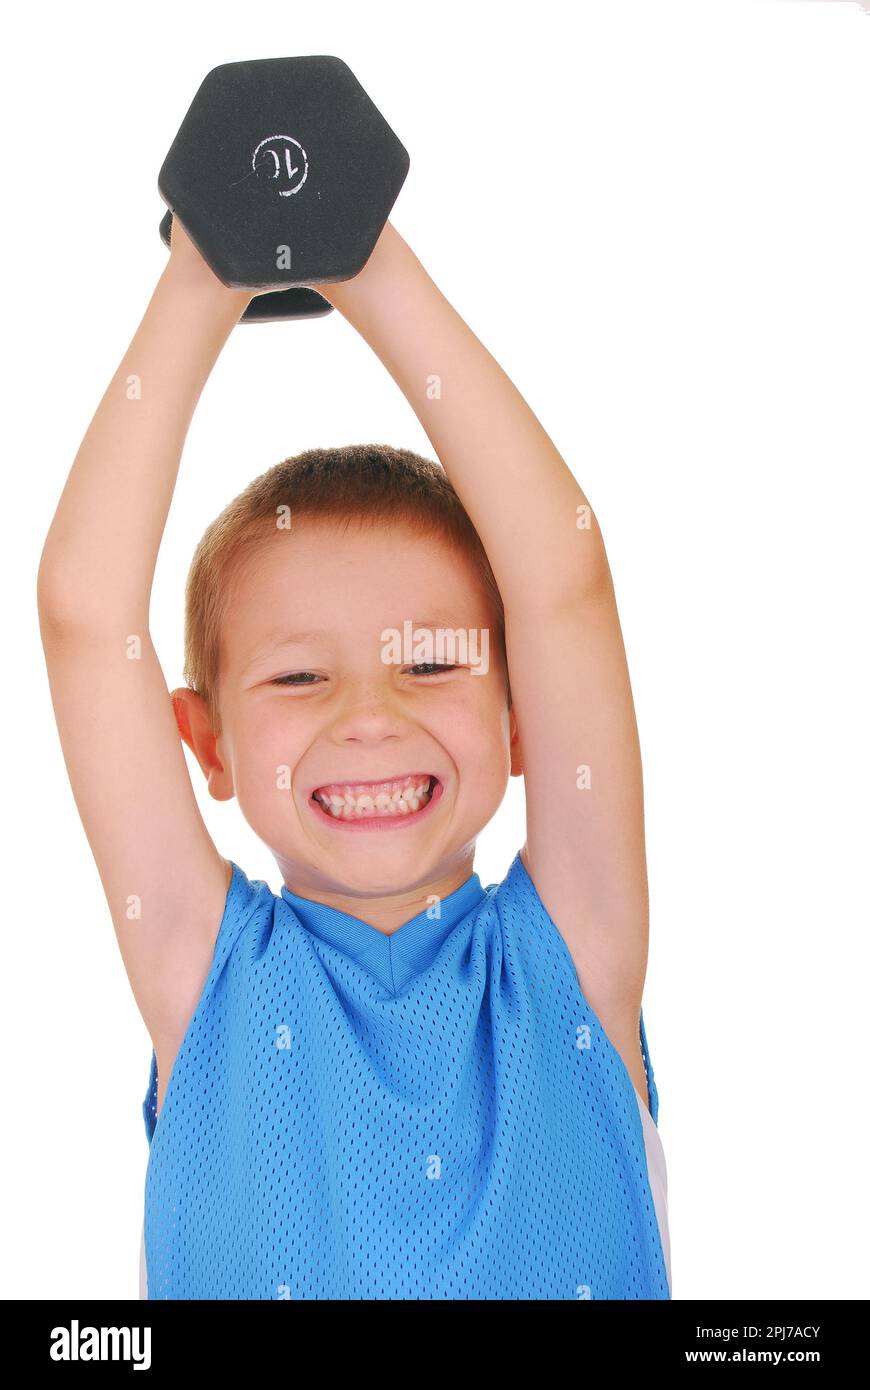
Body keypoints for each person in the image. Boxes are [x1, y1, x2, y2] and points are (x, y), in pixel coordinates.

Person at [37, 209, 670, 1300]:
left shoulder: (576, 945)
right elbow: (87, 619)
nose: (368, 714)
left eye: (430, 664)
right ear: (207, 743)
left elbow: (563, 587)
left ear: (526, 720)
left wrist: (371, 262)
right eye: (297, 676)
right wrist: (202, 274)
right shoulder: (203, 971)